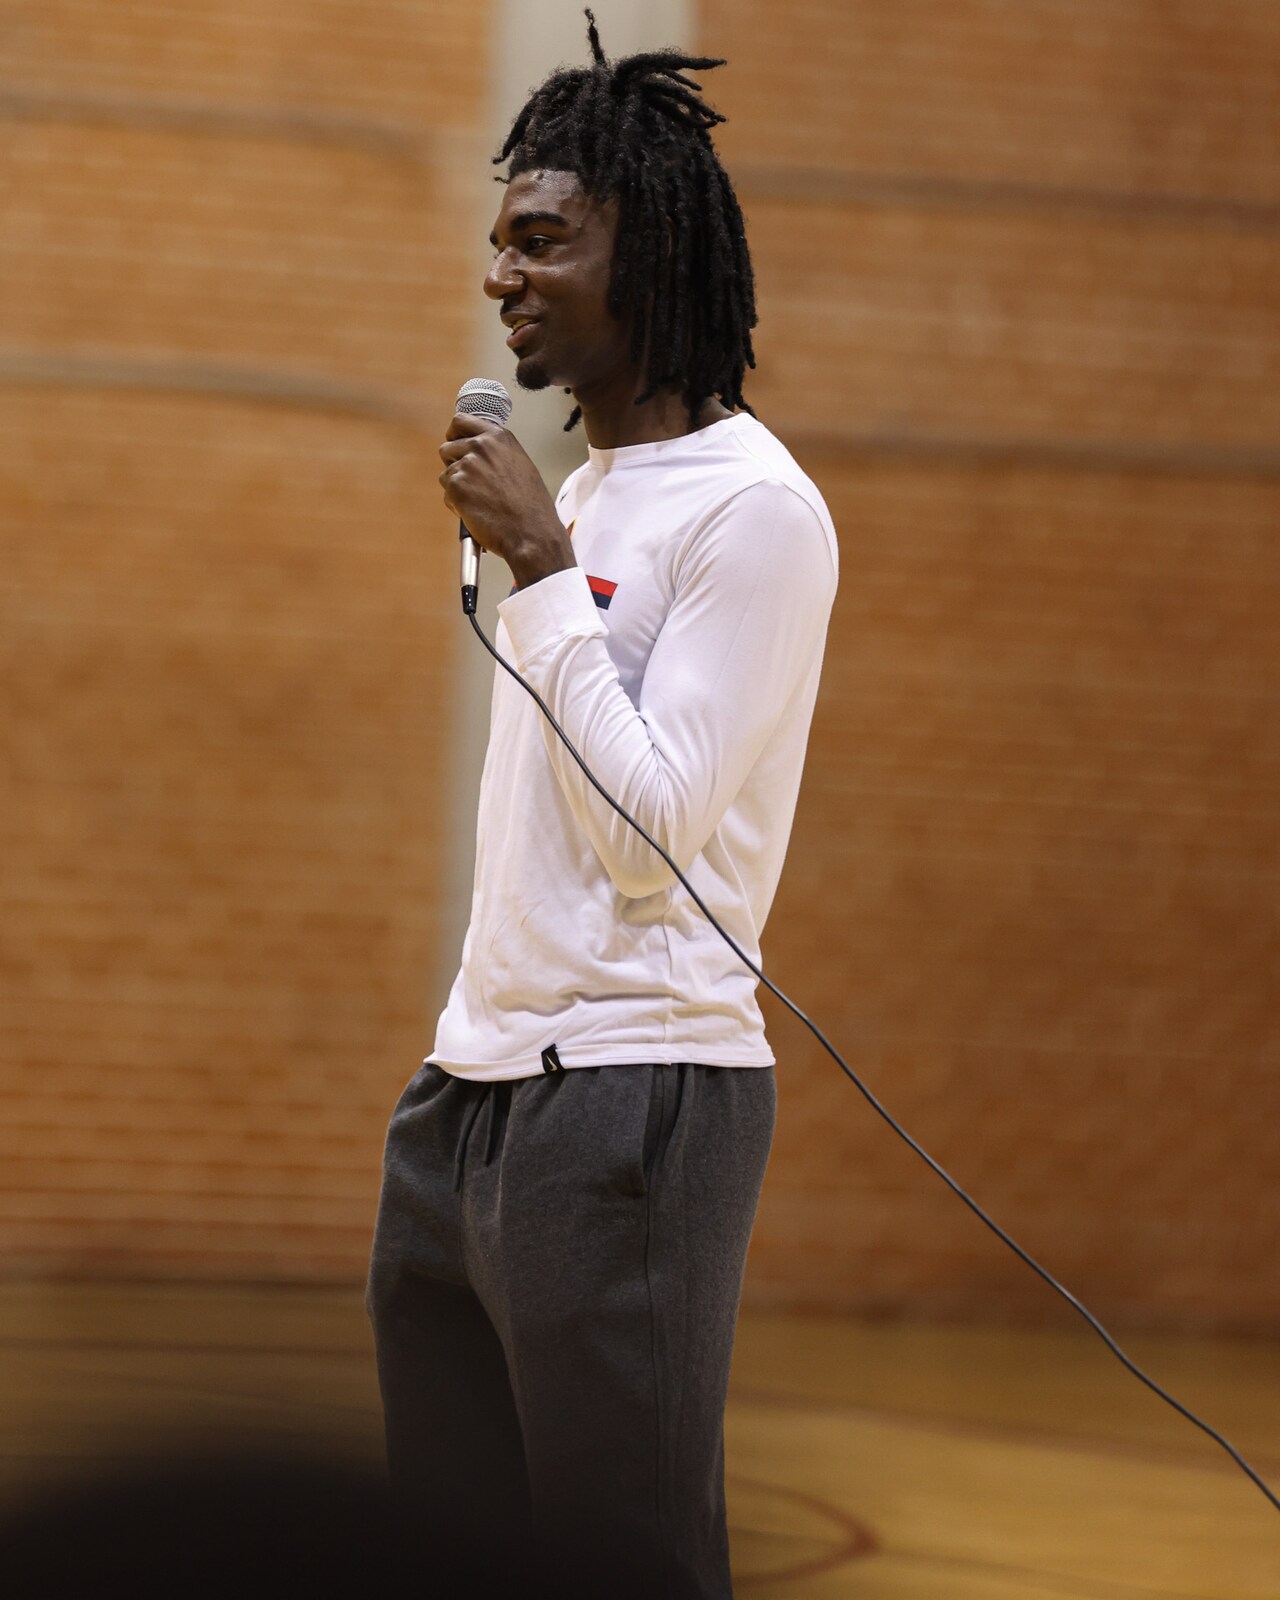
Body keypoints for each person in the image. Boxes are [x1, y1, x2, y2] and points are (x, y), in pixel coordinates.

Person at [365, 15, 838, 1598]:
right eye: (498, 245)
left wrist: (546, 581)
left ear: (651, 253)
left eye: (543, 242)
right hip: (470, 1096)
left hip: (638, 1095)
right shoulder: (579, 492)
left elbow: (652, 852)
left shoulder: (757, 512)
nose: (502, 276)